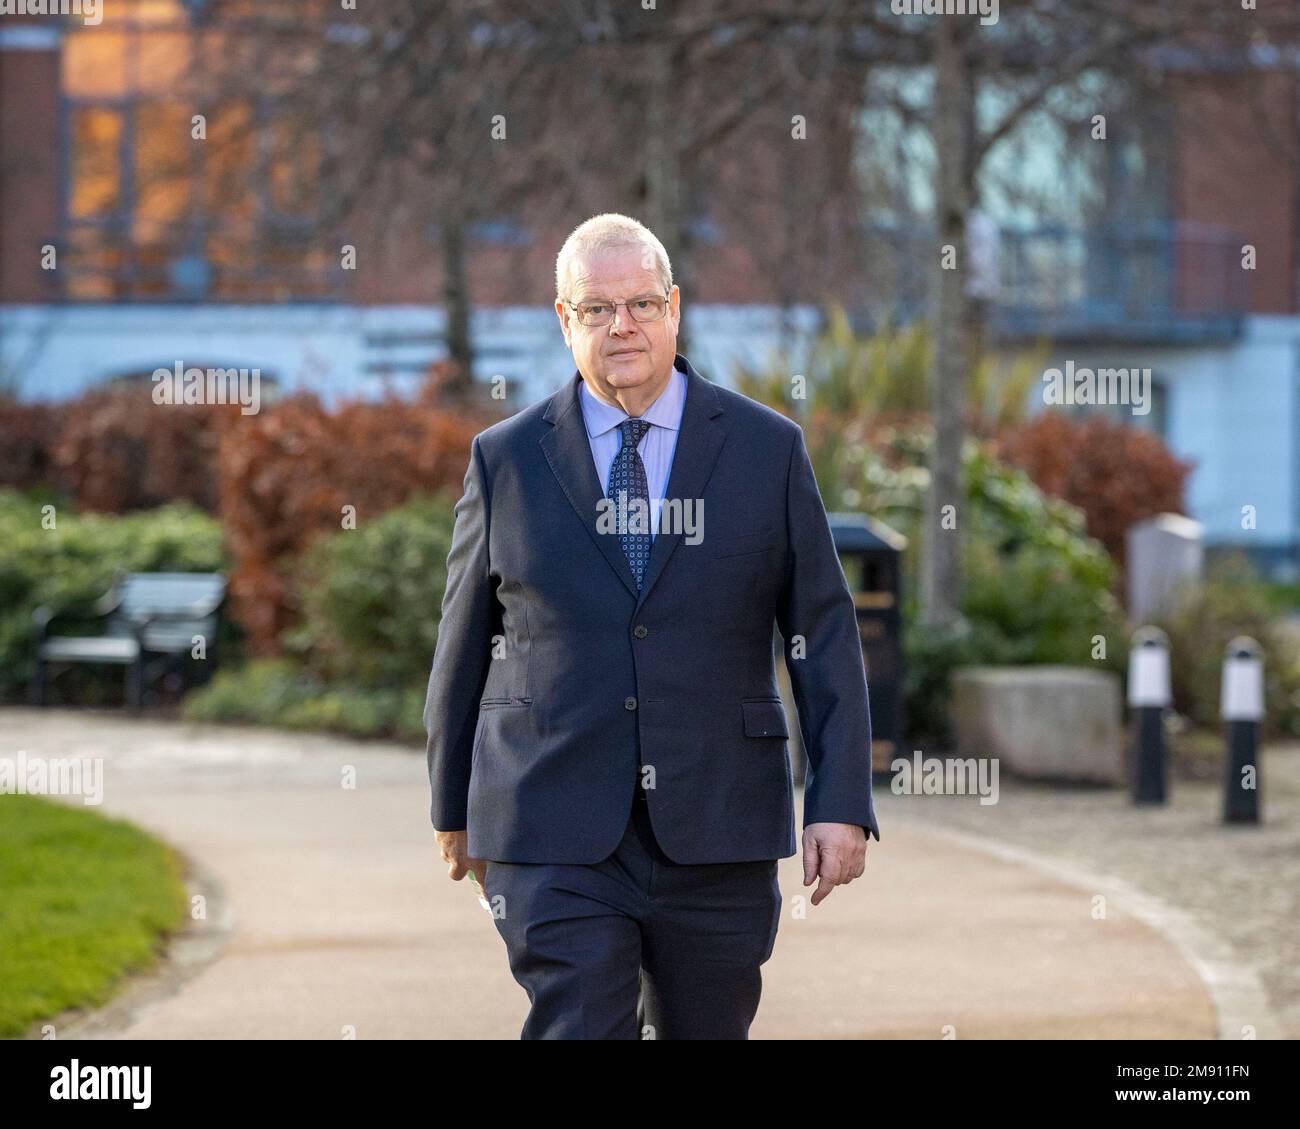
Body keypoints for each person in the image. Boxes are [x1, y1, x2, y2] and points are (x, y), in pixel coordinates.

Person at [425, 212, 880, 1039]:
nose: (621, 325)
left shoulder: (764, 449)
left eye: (639, 303)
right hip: (553, 823)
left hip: (718, 826)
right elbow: (462, 642)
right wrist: (451, 805)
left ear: (674, 308)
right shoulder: (507, 460)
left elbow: (823, 630)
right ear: (564, 321)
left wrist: (839, 800)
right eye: (596, 309)